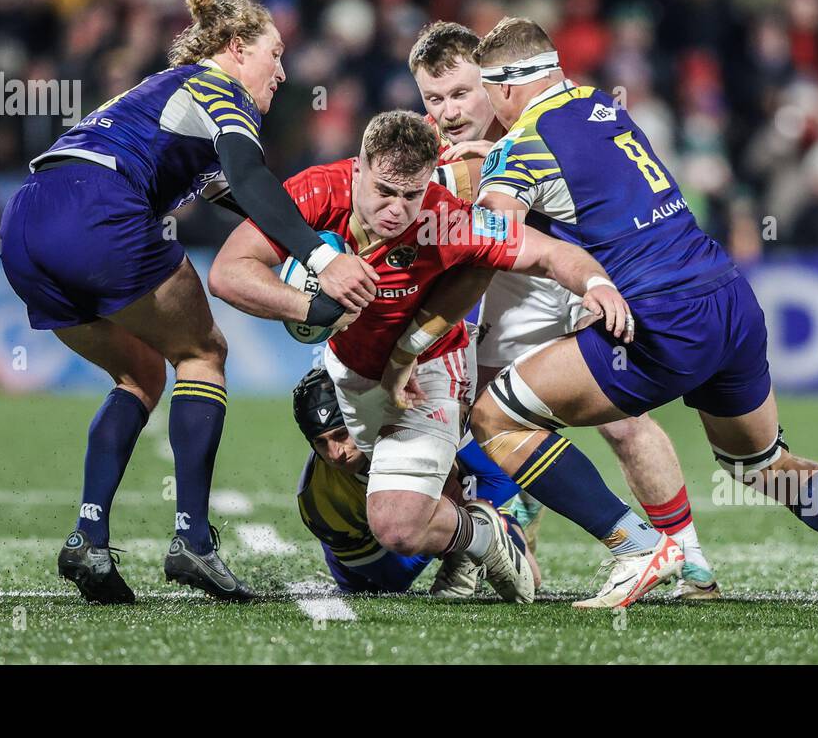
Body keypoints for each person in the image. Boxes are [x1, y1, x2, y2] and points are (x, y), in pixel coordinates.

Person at [382, 17, 818, 610]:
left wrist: (410, 333)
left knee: (495, 416)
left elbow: (492, 242)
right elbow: (584, 171)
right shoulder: (599, 105)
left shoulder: (519, 148)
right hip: (729, 299)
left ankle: (637, 546)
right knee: (764, 464)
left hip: (660, 316)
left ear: (501, 88)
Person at [0, 0, 378, 604]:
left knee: (141, 370)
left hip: (25, 221)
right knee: (202, 352)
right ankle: (193, 543)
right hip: (99, 210)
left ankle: (89, 538)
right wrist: (323, 259)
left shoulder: (164, 94)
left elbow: (239, 195)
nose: (283, 71)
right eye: (274, 54)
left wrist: (312, 232)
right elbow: (252, 181)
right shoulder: (216, 88)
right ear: (234, 49)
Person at [208, 109, 645, 604]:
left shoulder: (446, 217)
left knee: (396, 527)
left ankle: (495, 536)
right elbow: (227, 273)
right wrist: (315, 305)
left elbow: (547, 253)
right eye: (384, 191)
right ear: (358, 169)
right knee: (362, 537)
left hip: (428, 369)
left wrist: (595, 282)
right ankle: (470, 537)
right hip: (345, 367)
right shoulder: (316, 191)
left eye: (410, 194)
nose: (397, 209)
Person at [407, 20, 719, 598]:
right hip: (503, 283)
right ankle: (490, 540)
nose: (448, 111)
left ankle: (688, 559)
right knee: (459, 411)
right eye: (434, 97)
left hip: (576, 272)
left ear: (495, 83)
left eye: (460, 93)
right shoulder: (425, 145)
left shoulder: (539, 120)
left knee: (621, 420)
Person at [290, 365, 538, 597]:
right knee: (373, 592)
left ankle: (498, 513)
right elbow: (393, 577)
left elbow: (506, 472)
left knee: (530, 577)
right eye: (320, 443)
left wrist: (465, 518)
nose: (335, 454)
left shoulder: (419, 417)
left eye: (341, 434)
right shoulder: (318, 495)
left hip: (442, 498)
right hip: (365, 558)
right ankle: (467, 527)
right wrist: (448, 539)